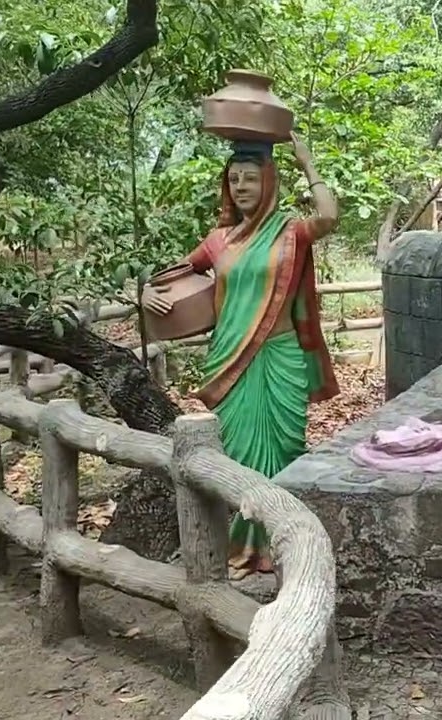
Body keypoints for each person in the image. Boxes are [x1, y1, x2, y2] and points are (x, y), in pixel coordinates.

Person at [143, 133, 340, 579]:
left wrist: (308, 162)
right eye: (234, 180)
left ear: (269, 182)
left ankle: (291, 543)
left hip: (282, 355)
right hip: (232, 360)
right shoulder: (217, 242)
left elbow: (328, 215)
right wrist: (143, 290)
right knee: (239, 455)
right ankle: (246, 546)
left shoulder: (291, 230)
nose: (241, 187)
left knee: (287, 447)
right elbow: (169, 276)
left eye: (251, 178)